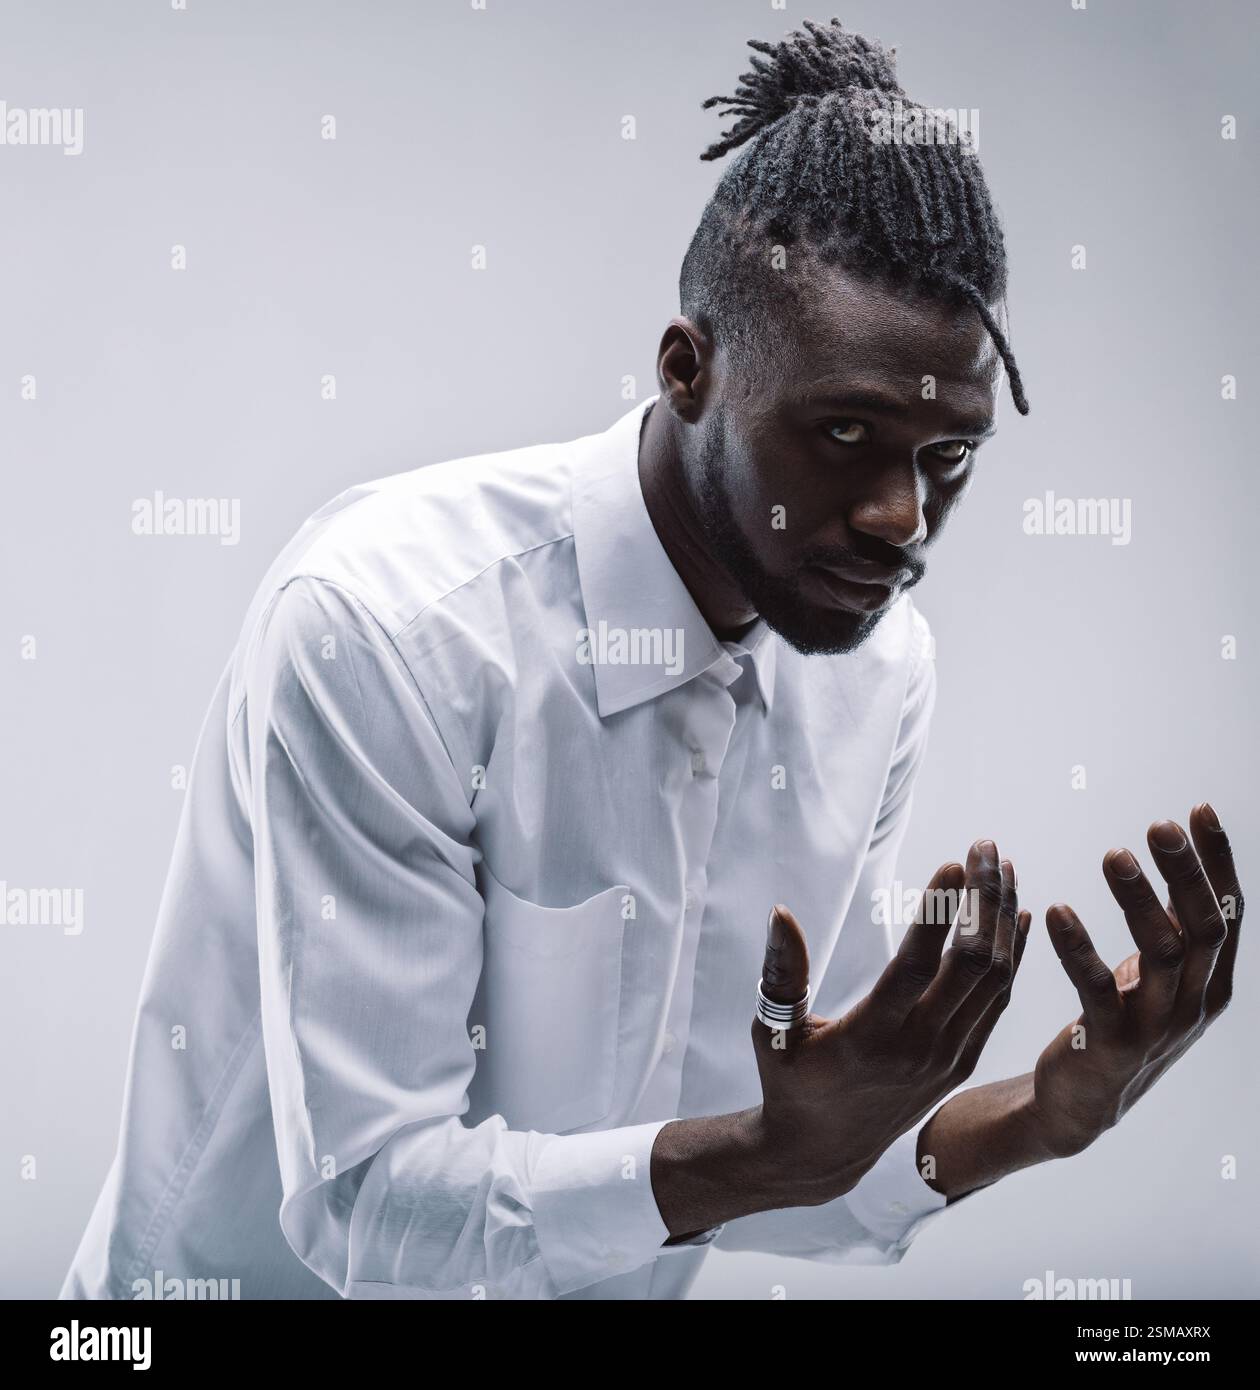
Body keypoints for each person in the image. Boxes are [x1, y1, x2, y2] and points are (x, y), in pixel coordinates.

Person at [61, 18, 1243, 1301]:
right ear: (687, 369)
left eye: (946, 454)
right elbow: (367, 1212)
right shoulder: (387, 632)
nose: (905, 517)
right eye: (844, 429)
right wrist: (766, 1150)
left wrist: (1039, 1115)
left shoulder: (875, 674)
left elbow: (783, 1162)